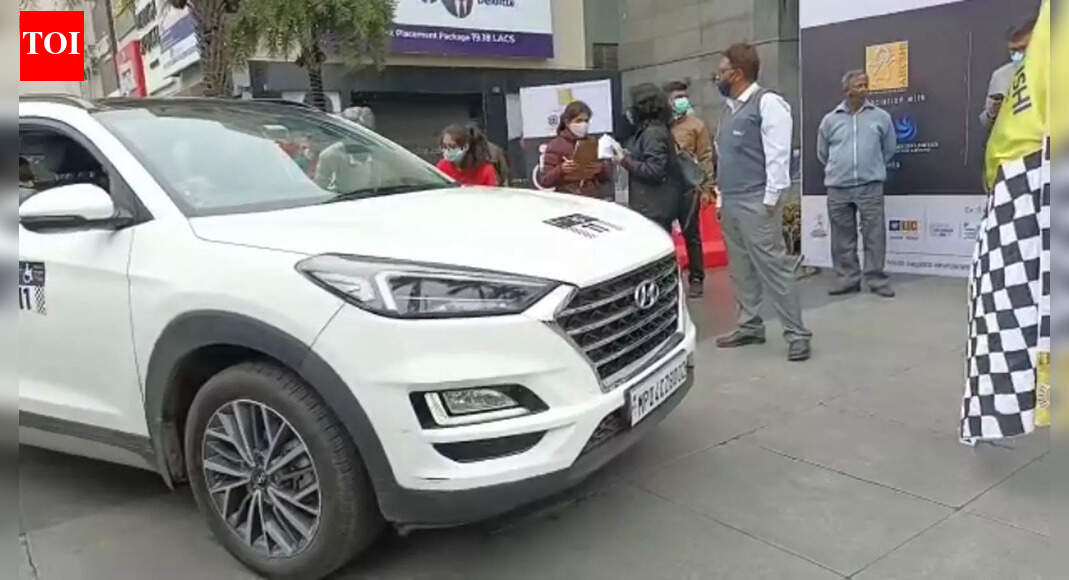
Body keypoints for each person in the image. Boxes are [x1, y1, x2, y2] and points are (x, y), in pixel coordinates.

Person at [712, 43, 812, 361]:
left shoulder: (768, 103)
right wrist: (720, 199)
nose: (718, 76)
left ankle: (797, 334)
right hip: (731, 201)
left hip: (758, 201)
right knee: (741, 270)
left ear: (737, 74)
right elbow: (725, 159)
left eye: (722, 71)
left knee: (775, 268)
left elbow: (779, 155)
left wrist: (771, 199)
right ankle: (750, 326)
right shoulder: (729, 110)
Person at [817, 70, 897, 298]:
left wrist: (870, 167)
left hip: (870, 186)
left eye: (866, 85)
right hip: (838, 188)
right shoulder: (830, 120)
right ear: (847, 90)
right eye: (860, 85)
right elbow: (822, 153)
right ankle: (847, 279)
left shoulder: (881, 117)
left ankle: (876, 280)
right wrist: (840, 169)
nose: (865, 89)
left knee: (874, 235)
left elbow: (889, 150)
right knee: (842, 237)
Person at [664, 80, 715, 298]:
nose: (681, 100)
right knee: (664, 236)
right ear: (667, 100)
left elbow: (705, 157)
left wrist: (706, 188)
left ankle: (696, 278)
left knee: (691, 234)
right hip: (665, 188)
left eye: (684, 96)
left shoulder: (697, 125)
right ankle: (668, 279)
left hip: (689, 188)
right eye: (677, 97)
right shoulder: (660, 126)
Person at [614, 84, 685, 233]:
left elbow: (655, 170)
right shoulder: (649, 130)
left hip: (655, 206)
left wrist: (625, 161)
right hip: (652, 204)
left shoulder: (652, 133)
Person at [539, 100, 613, 198]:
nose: (583, 125)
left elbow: (607, 177)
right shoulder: (555, 145)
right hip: (568, 198)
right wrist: (561, 169)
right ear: (567, 122)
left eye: (586, 121)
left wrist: (600, 169)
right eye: (578, 121)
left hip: (592, 198)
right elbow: (545, 181)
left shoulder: (593, 143)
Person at [980, 18, 1036, 129]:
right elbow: (985, 123)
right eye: (1013, 50)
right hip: (1012, 141)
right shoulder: (1000, 76)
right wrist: (991, 112)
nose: (1018, 54)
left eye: (1023, 48)